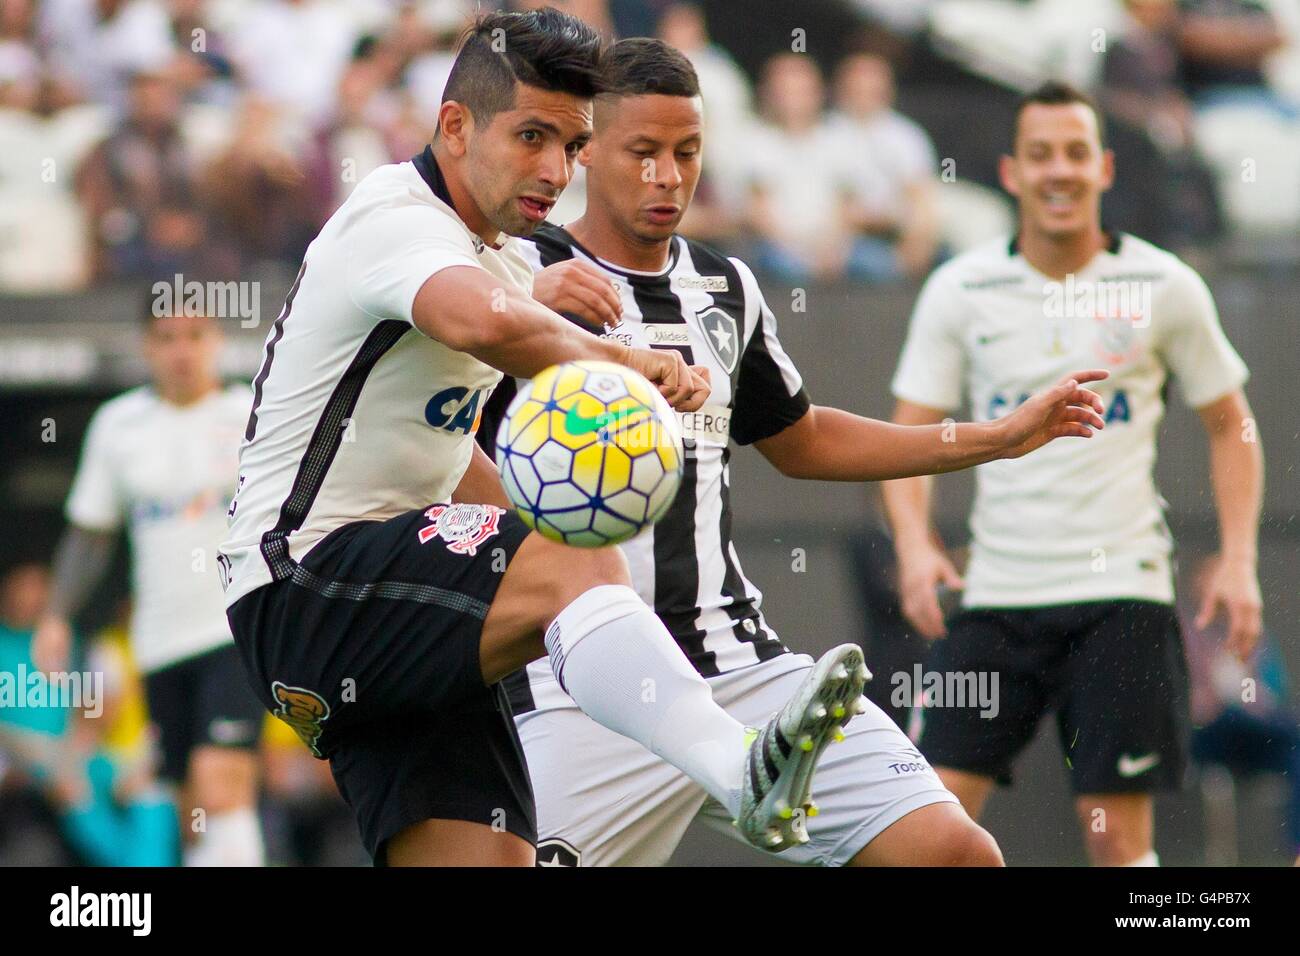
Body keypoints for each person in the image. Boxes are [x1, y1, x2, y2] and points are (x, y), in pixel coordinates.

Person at [218, 8, 872, 868]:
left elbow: (451, 452)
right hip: (306, 581)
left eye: (570, 145)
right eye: (530, 137)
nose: (555, 170)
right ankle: (738, 768)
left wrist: (548, 530)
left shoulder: (512, 259)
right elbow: (481, 321)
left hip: (385, 617)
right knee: (574, 558)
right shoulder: (393, 215)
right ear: (454, 126)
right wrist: (624, 360)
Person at [480, 38, 1110, 867]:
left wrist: (994, 438)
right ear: (588, 148)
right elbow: (420, 420)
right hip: (581, 688)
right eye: (644, 152)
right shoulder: (513, 271)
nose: (669, 176)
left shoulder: (728, 288)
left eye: (688, 152)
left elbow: (804, 439)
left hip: (738, 667)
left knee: (957, 853)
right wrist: (520, 299)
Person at [882, 81, 1262, 866]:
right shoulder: (961, 288)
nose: (1060, 171)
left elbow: (1234, 424)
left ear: (1105, 168)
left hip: (1122, 597)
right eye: (1041, 154)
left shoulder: (1164, 286)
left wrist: (1241, 559)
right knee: (930, 829)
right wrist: (917, 547)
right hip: (997, 599)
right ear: (1013, 172)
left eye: (1076, 153)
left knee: (1117, 841)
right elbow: (909, 432)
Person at [32, 297, 266, 866]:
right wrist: (56, 615)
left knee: (220, 783)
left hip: (234, 630)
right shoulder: (118, 426)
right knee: (188, 807)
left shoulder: (253, 415)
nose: (182, 351)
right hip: (159, 644)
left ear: (216, 342)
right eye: (167, 338)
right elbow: (91, 532)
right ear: (147, 347)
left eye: (195, 335)